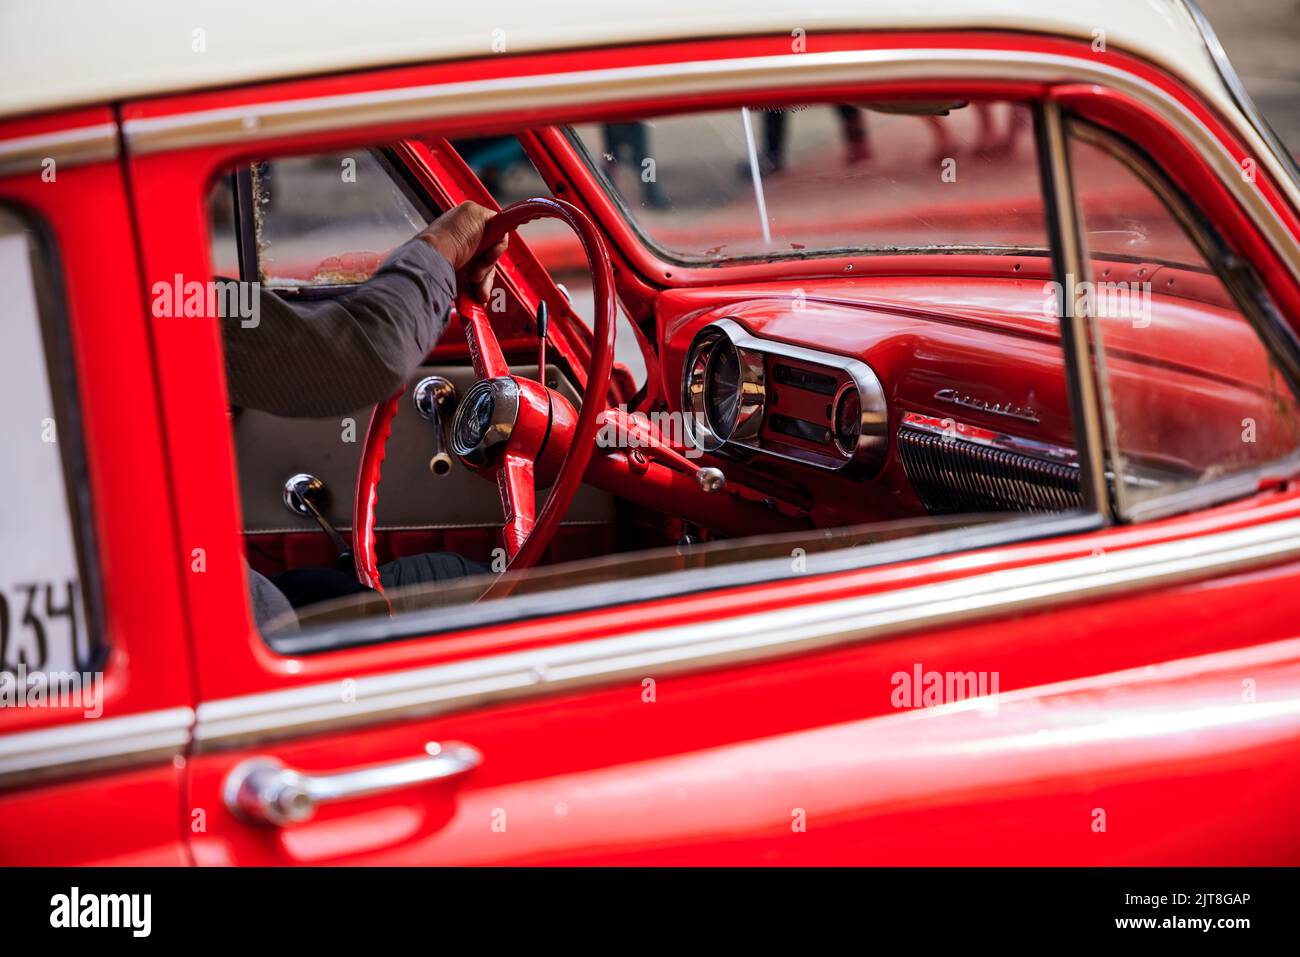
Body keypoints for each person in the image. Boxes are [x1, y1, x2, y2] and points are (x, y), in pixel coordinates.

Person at [222, 201, 508, 628]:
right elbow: (362, 355)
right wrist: (443, 243)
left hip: (236, 601)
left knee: (364, 588)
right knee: (484, 598)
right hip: (239, 636)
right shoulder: (142, 299)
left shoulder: (151, 296)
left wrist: (433, 259)